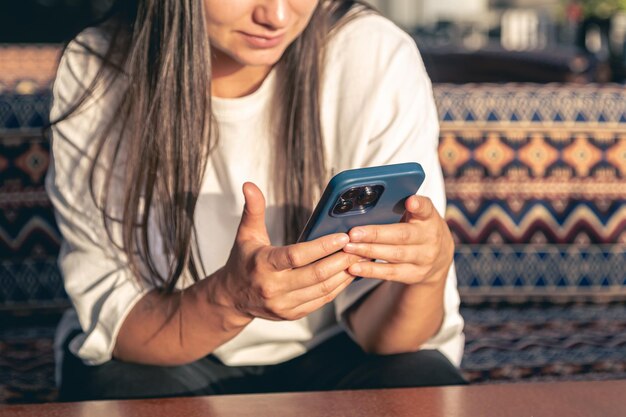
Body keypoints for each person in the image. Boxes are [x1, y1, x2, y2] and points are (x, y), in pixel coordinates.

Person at [46, 0, 466, 401]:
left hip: (338, 351)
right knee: (120, 394)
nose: (278, 16)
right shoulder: (98, 69)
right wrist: (229, 299)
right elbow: (123, 325)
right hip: (162, 352)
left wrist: (431, 270)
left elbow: (386, 340)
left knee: (422, 386)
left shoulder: (372, 53)